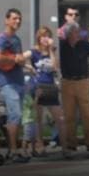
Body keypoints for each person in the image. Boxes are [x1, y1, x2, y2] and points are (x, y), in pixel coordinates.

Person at [59, 21, 89, 155]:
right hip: (67, 82)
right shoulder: (62, 46)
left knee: (88, 114)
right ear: (70, 33)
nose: (78, 34)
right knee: (69, 115)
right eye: (76, 32)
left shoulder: (83, 45)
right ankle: (71, 143)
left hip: (82, 81)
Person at [0, 9, 29, 163]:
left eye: (19, 18)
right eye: (14, 18)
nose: (17, 21)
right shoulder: (2, 39)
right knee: (15, 115)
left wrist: (24, 62)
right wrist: (15, 59)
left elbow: (19, 59)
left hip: (19, 81)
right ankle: (13, 151)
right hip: (7, 83)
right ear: (7, 20)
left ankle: (13, 150)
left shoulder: (16, 39)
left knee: (15, 117)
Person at [30, 26, 63, 158]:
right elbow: (24, 60)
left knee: (59, 117)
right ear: (39, 37)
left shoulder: (52, 50)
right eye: (43, 36)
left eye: (48, 36)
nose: (45, 38)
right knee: (38, 118)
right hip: (38, 86)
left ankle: (64, 146)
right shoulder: (34, 51)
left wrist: (51, 50)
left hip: (51, 87)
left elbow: (55, 67)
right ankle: (39, 145)